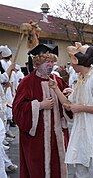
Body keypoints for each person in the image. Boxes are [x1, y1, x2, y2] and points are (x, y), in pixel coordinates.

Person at [49, 42, 93, 178]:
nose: (71, 64)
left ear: (78, 61)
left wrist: (81, 108)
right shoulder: (80, 81)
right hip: (82, 135)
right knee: (81, 173)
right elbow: (68, 104)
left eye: (73, 60)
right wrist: (56, 89)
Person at [12, 44, 70, 178]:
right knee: (37, 170)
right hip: (36, 138)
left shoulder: (58, 81)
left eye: (52, 62)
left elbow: (69, 104)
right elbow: (18, 110)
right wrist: (39, 105)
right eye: (47, 62)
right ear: (37, 63)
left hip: (57, 137)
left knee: (57, 168)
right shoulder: (27, 82)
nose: (50, 65)